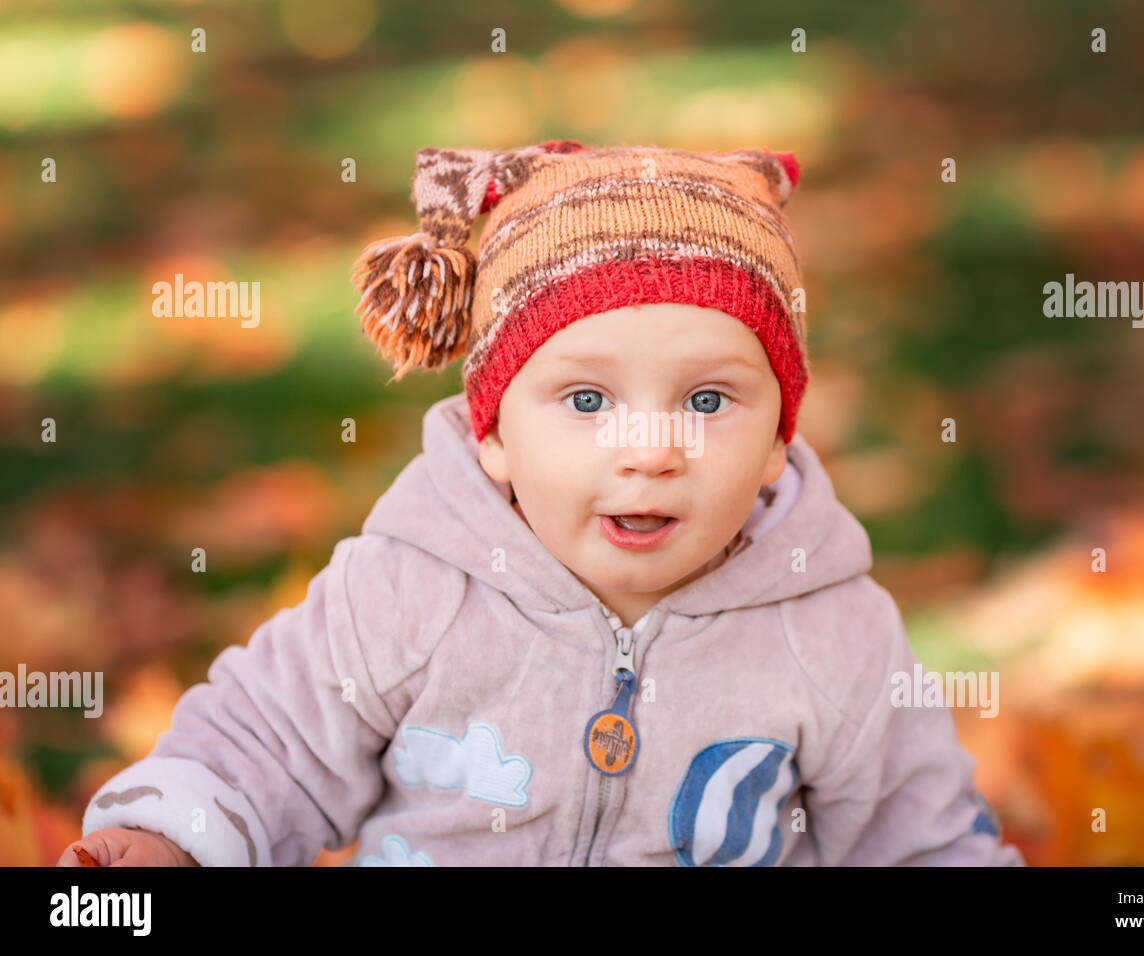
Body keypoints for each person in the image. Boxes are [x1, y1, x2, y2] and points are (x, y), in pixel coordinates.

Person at [58, 141, 1025, 866]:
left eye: (707, 400)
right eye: (588, 399)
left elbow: (919, 836)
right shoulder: (411, 589)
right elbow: (269, 742)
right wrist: (168, 842)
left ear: (780, 439)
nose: (650, 451)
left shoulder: (831, 629)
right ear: (493, 431)